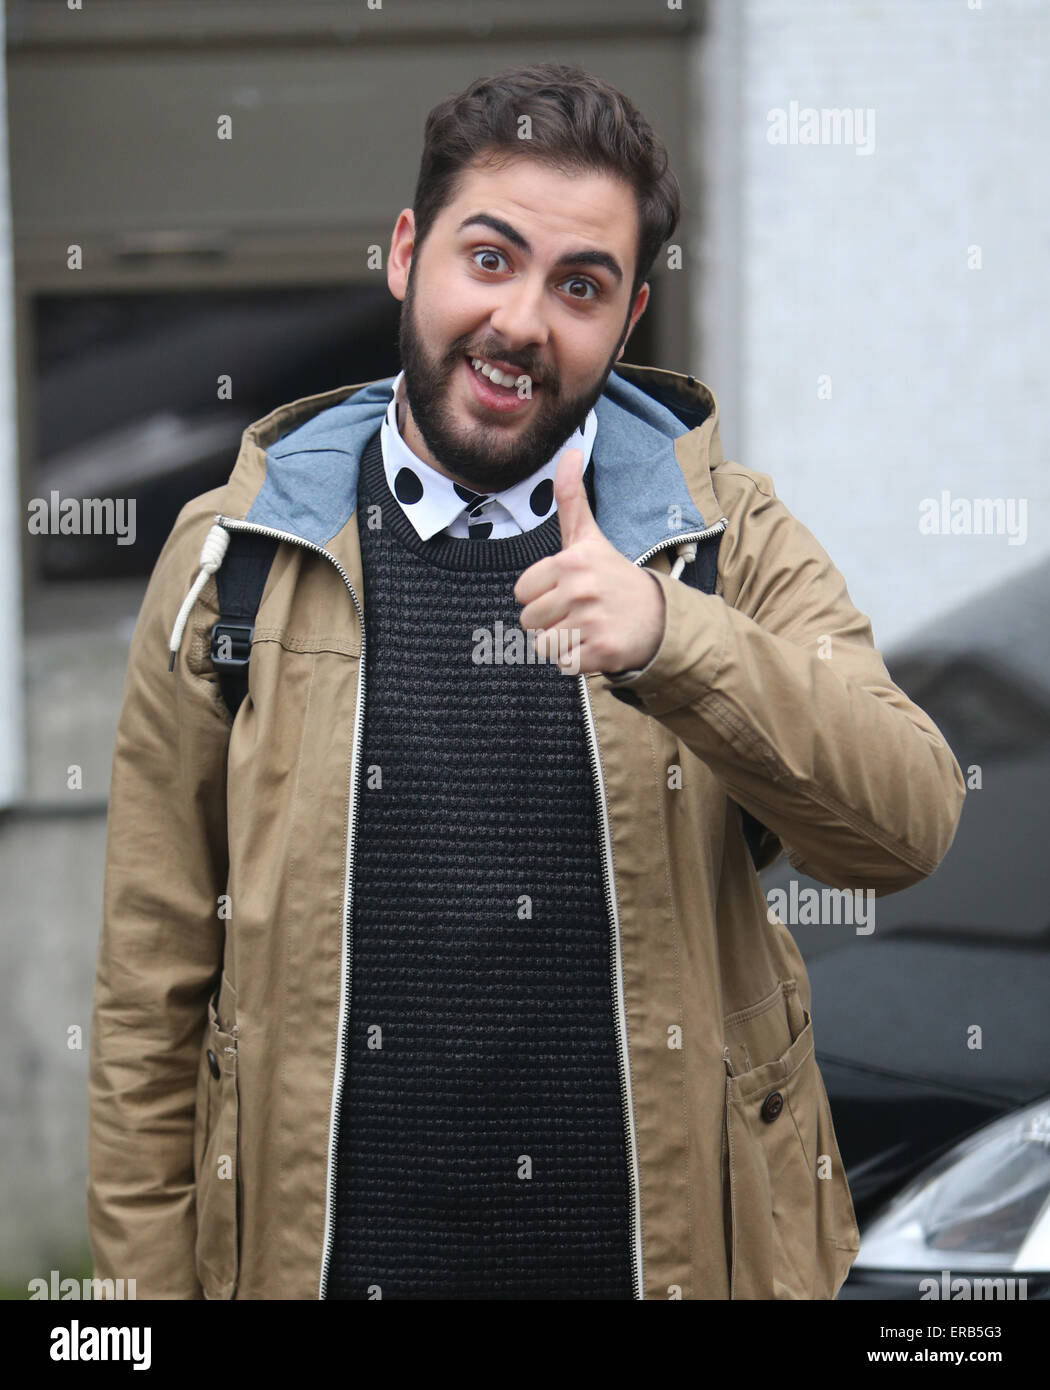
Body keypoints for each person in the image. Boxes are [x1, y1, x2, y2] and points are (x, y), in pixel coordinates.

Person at [86, 62, 965, 1301]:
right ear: (406, 253)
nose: (519, 323)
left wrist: (675, 636)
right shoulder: (234, 559)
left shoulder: (722, 540)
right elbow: (146, 998)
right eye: (487, 258)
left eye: (579, 286)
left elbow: (909, 818)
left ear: (627, 316)